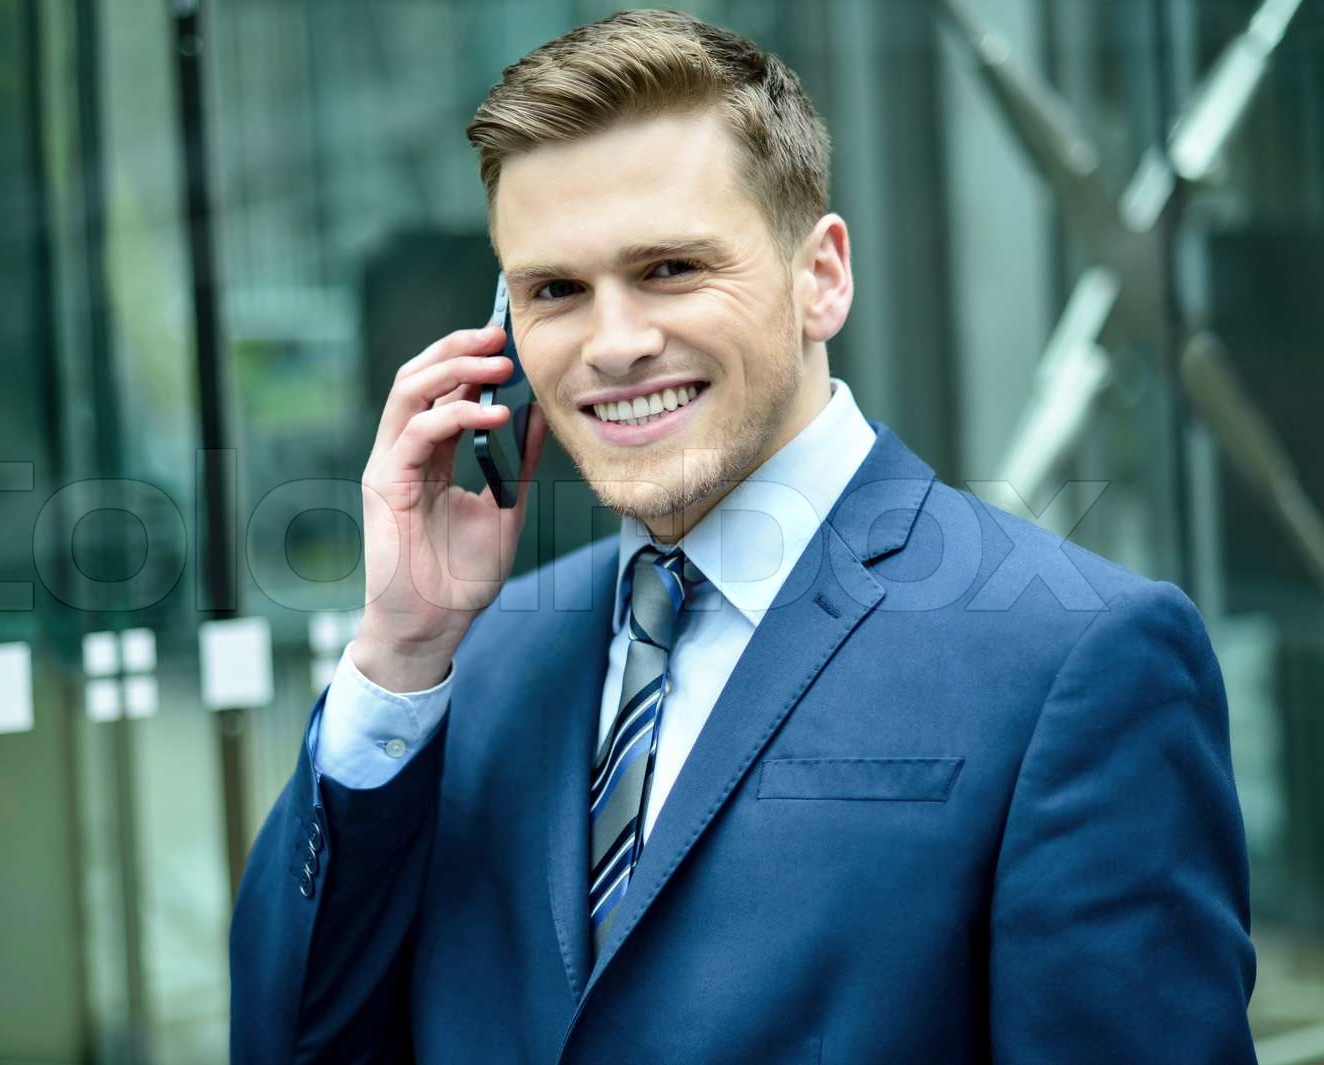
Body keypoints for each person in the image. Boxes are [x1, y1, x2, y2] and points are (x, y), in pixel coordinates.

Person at [230, 10, 1257, 1063]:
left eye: (671, 269)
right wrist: (398, 653)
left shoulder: (1076, 660)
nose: (615, 343)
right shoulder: (474, 662)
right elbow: (287, 1039)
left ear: (822, 277)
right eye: (555, 291)